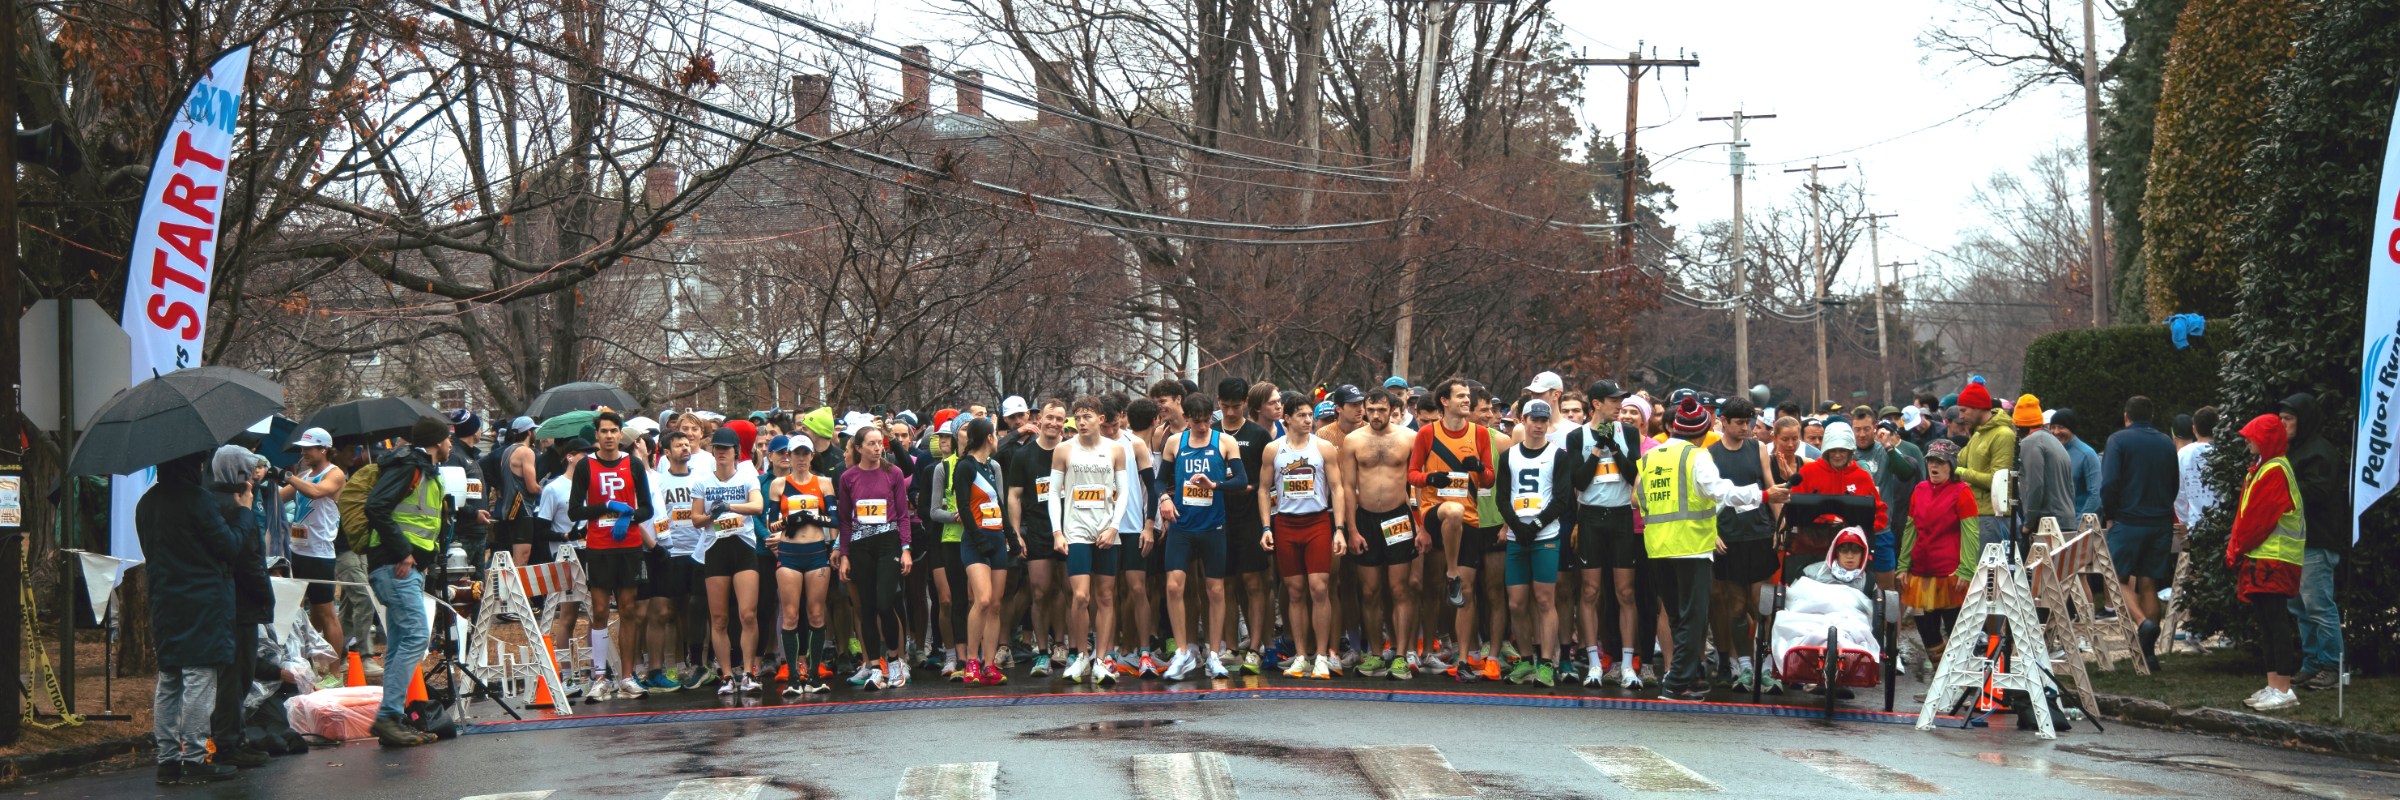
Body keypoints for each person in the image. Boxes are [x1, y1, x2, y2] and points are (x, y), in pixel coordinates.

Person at [1636, 398, 1783, 700]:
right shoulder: (1697, 456)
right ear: (1702, 432)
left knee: (1678, 617)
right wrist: (1765, 495)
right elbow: (1721, 492)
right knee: (1694, 618)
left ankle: (1686, 677)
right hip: (1691, 547)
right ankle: (1676, 683)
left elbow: (1636, 499)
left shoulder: (1652, 456)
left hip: (1658, 547)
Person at [139, 450, 247, 784]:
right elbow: (228, 546)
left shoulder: (146, 503)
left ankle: (168, 760)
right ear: (188, 464)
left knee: (169, 679)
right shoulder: (198, 500)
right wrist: (243, 515)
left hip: (164, 601)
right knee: (199, 678)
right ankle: (196, 758)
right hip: (202, 602)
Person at [360, 417, 452, 746]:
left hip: (404, 568)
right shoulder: (409, 466)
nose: (450, 444)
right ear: (437, 441)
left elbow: (420, 519)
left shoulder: (424, 469)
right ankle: (387, 717)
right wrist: (403, 553)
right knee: (415, 638)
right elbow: (376, 507)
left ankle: (393, 719)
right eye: (448, 438)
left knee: (401, 643)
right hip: (395, 566)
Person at [1154, 392, 1249, 680]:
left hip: (1213, 526)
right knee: (1174, 587)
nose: (1203, 426)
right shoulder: (1175, 442)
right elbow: (1159, 481)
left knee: (1215, 590)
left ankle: (1215, 654)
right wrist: (1164, 499)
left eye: (1207, 421)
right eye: (1197, 422)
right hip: (1182, 525)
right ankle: (1183, 651)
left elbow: (1242, 480)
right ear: (1186, 418)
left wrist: (1214, 484)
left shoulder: (1225, 442)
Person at [1564, 379, 1651, 688]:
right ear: (1596, 404)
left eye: (1621, 400)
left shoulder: (1628, 433)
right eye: (1613, 401)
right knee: (1590, 592)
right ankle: (1593, 663)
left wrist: (1614, 446)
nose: (1619, 406)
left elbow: (1632, 474)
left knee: (1626, 592)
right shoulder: (1577, 436)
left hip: (1621, 516)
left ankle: (1627, 665)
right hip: (1591, 516)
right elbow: (1580, 480)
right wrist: (1598, 449)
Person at [564, 412, 656, 702]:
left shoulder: (633, 464)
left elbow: (648, 508)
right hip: (599, 546)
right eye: (604, 431)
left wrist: (629, 516)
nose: (608, 436)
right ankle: (600, 678)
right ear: (597, 435)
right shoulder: (586, 466)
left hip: (629, 545)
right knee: (600, 610)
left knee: (628, 609)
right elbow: (574, 511)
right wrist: (606, 506)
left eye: (614, 431)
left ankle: (627, 677)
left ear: (620, 434)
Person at [1262, 390, 1346, 679]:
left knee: (1319, 589)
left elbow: (1337, 488)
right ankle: (1300, 655)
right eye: (1301, 415)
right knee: (1295, 591)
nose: (1308, 420)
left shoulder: (1323, 448)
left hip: (1317, 522)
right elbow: (1263, 490)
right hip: (1286, 524)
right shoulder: (1273, 449)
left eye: (1310, 414)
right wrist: (1265, 527)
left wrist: (1340, 530)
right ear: (1287, 418)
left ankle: (1321, 655)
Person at [1049, 396, 1131, 684]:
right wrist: (1057, 532)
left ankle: (1101, 659)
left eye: (1087, 417)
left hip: (1106, 530)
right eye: (1078, 417)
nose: (1081, 422)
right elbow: (1054, 494)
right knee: (1081, 596)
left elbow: (1123, 491)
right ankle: (1081, 655)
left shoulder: (1115, 449)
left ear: (1101, 418)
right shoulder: (1063, 449)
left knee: (1106, 597)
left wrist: (1114, 527)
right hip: (1076, 531)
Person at [2227, 413, 2305, 712]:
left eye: (2253, 436)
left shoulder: (2273, 470)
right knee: (2268, 623)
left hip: (2275, 558)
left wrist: (2236, 548)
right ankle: (2274, 685)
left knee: (2275, 623)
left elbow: (2258, 520)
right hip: (2266, 557)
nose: (2248, 441)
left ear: (2266, 439)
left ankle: (2283, 688)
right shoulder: (2266, 467)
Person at [1345, 389, 1422, 679]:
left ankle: (1401, 655)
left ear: (1392, 409)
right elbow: (1347, 487)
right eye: (1371, 410)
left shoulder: (1409, 438)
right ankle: (1376, 654)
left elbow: (1418, 485)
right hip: (1365, 518)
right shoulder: (1354, 440)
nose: (1376, 415)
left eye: (1381, 410)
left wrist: (1420, 525)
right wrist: (1352, 529)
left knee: (1400, 589)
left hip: (1398, 516)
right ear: (1365, 410)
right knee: (1369, 591)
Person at [1496, 399, 1573, 687]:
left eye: (1543, 420)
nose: (1539, 425)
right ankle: (1526, 660)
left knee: (1544, 599)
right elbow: (1502, 497)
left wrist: (1537, 525)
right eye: (1534, 420)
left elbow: (1562, 499)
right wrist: (1517, 526)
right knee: (1516, 603)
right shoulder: (1510, 456)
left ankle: (1546, 662)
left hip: (1545, 536)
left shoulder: (1557, 456)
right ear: (1524, 421)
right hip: (1517, 536)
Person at [2276, 393, 2350, 691]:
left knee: (2318, 606)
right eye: (2281, 418)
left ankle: (2332, 666)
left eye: (2289, 419)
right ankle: (2311, 664)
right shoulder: (2293, 450)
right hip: (2296, 542)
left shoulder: (2319, 452)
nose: (2283, 424)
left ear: (2303, 420)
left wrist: (2280, 489)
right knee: (2300, 608)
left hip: (2316, 541)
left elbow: (2317, 492)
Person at [1706, 399, 1779, 692]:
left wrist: (1779, 525)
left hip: (1758, 533)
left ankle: (1766, 665)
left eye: (1748, 422)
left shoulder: (1758, 448)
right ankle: (1745, 666)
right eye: (1739, 422)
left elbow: (1770, 487)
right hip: (1729, 536)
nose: (1745, 428)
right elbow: (1706, 499)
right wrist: (1711, 533)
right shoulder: (1710, 454)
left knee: (1761, 606)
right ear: (1724, 421)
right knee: (1735, 606)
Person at [2102, 395, 2180, 670]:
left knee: (2117, 577)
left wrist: (2110, 513)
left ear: (2126, 416)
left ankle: (2142, 622)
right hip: (2159, 521)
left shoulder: (2118, 440)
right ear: (2152, 416)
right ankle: (2150, 654)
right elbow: (2174, 483)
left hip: (2128, 519)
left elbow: (2110, 482)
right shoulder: (2166, 442)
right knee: (2149, 582)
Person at [838, 423, 916, 689]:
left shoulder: (893, 472)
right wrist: (844, 555)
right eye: (871, 444)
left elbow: (903, 515)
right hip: (860, 544)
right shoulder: (848, 477)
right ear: (858, 448)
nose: (877, 448)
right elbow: (845, 521)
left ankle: (894, 661)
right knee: (867, 608)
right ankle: (874, 666)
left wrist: (906, 549)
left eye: (879, 443)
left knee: (885, 603)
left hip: (888, 542)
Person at [695, 426, 768, 693]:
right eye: (717, 448)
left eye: (726, 448)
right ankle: (726, 675)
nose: (721, 453)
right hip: (716, 549)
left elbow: (757, 506)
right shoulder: (703, 482)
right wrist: (711, 516)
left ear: (736, 451)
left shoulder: (747, 477)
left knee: (748, 614)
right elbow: (696, 520)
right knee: (719, 618)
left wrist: (728, 506)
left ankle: (748, 673)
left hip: (744, 548)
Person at [1898, 439, 1977, 670]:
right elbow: (1910, 529)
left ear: (1951, 466)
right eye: (1931, 461)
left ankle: (1959, 678)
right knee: (1927, 631)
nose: (1934, 466)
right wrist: (1903, 565)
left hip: (1950, 574)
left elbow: (1971, 534)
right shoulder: (1920, 489)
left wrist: (1966, 569)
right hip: (1920, 572)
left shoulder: (1962, 492)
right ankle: (1942, 677)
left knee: (1956, 631)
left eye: (1940, 462)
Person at [1216, 378, 1277, 675]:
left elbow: (1268, 482)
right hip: (1219, 517)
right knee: (1226, 585)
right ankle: (1231, 647)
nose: (1229, 412)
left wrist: (1251, 490)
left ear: (1245, 404)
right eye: (1224, 406)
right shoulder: (1211, 433)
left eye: (1235, 406)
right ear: (1218, 403)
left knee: (1254, 583)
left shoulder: (1258, 435)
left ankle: (1255, 647)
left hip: (1251, 515)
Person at [769, 435, 837, 694]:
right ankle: (794, 677)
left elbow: (833, 519)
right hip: (789, 553)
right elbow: (771, 524)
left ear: (811, 456)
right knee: (790, 615)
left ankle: (814, 675)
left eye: (804, 453)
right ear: (789, 455)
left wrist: (810, 516)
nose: (800, 458)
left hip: (816, 552)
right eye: (796, 453)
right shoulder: (779, 484)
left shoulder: (824, 482)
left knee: (817, 614)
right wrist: (789, 521)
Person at [946, 417, 1011, 686]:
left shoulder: (990, 466)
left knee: (995, 604)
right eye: (995, 435)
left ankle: (989, 664)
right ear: (989, 438)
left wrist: (1011, 535)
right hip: (975, 542)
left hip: (997, 539)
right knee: (982, 600)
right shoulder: (966, 466)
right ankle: (972, 660)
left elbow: (998, 503)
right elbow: (963, 506)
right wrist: (978, 538)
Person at [1006, 399, 1067, 677]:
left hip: (1070, 529)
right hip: (1038, 529)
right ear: (1039, 418)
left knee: (1066, 591)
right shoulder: (1024, 455)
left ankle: (1062, 646)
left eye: (1060, 419)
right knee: (1040, 592)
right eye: (1050, 417)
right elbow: (1014, 496)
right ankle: (1042, 653)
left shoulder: (1071, 451)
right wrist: (1015, 533)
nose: (1054, 423)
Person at [642, 431, 703, 693]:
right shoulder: (659, 481)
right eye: (679, 445)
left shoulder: (700, 478)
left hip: (697, 550)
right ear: (666, 452)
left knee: (692, 610)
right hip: (670, 551)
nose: (685, 448)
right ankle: (669, 665)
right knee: (667, 611)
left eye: (687, 444)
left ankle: (694, 663)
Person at [1787, 422, 1889, 579]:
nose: (1837, 455)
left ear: (1850, 451)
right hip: (1810, 549)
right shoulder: (1808, 472)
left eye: (1842, 450)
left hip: (1850, 554)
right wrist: (1826, 520)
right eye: (1833, 450)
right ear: (1826, 451)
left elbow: (1879, 513)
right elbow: (1793, 510)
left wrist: (1859, 532)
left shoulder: (1862, 477)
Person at [280, 428, 347, 659]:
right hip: (296, 550)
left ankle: (335, 671)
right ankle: (308, 661)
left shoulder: (334, 473)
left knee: (326, 612)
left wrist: (288, 476)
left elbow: (317, 492)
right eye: (302, 448)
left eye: (308, 448)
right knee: (302, 612)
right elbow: (280, 496)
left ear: (324, 449)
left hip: (319, 553)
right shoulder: (306, 475)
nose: (303, 453)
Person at [1950, 382, 2017, 552]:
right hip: (1974, 514)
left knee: (1987, 569)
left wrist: (1961, 472)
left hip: (1993, 518)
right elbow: (1958, 461)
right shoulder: (1978, 433)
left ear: (1978, 407)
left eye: (1964, 410)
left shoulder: (2003, 435)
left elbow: (1999, 481)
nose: (1961, 416)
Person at [2011, 395, 2077, 534]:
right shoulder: (2053, 441)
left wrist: (2028, 523)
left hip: (2047, 524)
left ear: (2020, 426)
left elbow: (2035, 485)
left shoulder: (2030, 442)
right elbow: (2070, 487)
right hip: (2065, 521)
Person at [446, 411, 493, 566]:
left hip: (478, 532)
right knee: (460, 579)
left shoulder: (471, 456)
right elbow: (451, 495)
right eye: (479, 427)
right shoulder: (455, 456)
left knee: (478, 580)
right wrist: (474, 514)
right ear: (474, 431)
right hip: (462, 534)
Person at [2049, 409, 2103, 520]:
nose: (2056, 431)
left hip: (2075, 523)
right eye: (2053, 427)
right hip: (2052, 523)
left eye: (2061, 427)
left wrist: (2079, 523)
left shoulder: (2087, 454)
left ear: (2072, 429)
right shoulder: (2050, 452)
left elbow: (2096, 493)